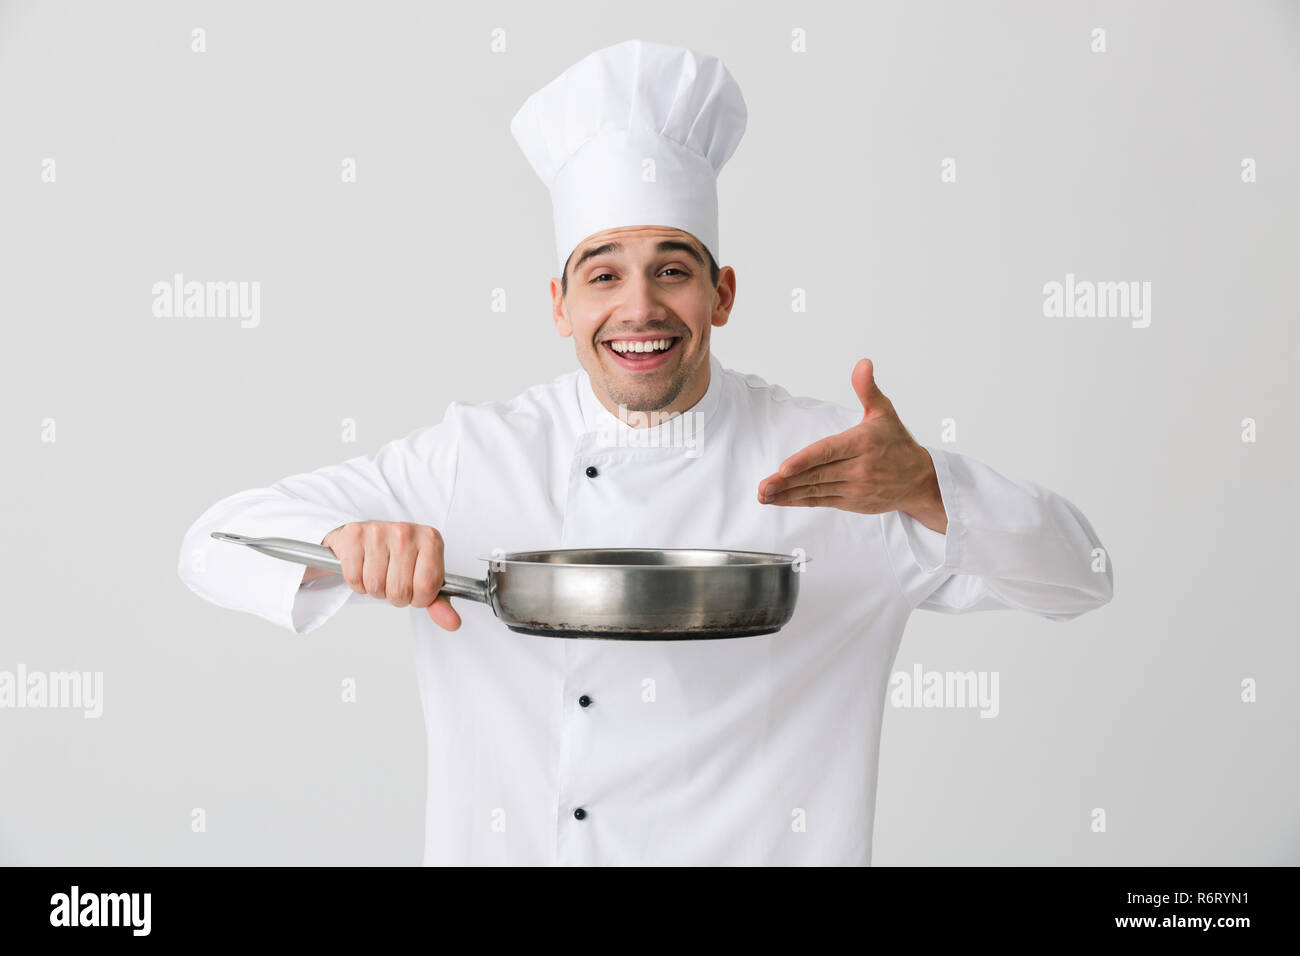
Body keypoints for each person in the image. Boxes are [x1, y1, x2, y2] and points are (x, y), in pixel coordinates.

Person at [177, 39, 1113, 865]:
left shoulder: (844, 467)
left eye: (672, 268)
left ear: (723, 293)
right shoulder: (473, 458)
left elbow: (1083, 576)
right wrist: (348, 541)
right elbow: (212, 544)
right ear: (558, 305)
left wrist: (934, 491)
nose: (639, 309)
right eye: (604, 274)